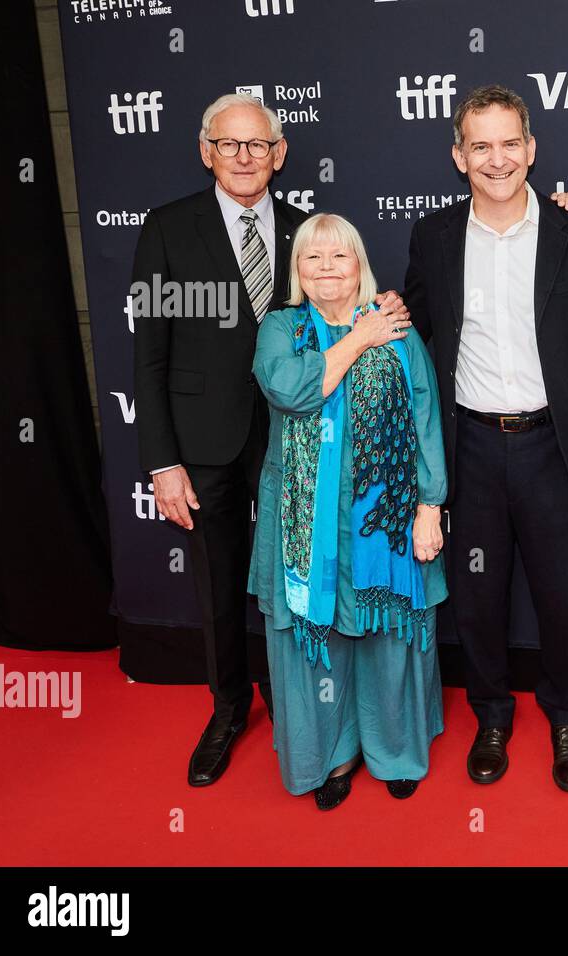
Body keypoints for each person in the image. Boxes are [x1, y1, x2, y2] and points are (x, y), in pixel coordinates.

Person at [130, 92, 410, 787]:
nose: (246, 157)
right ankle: (229, 707)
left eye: (259, 145)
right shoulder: (168, 228)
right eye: (231, 145)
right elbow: (150, 355)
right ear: (208, 152)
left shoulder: (304, 231)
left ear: (279, 155)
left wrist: (385, 307)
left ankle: (315, 711)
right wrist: (162, 460)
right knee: (220, 583)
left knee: (316, 573)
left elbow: (349, 300)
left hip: (305, 436)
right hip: (208, 440)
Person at [402, 85, 568, 791]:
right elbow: (416, 338)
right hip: (473, 449)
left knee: (562, 596)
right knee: (479, 597)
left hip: (554, 445)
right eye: (480, 145)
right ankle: (491, 715)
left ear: (532, 149)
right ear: (459, 156)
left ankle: (565, 718)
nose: (497, 158)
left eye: (510, 143)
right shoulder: (432, 236)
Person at [249, 212, 446, 810]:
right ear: (298, 271)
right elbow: (291, 389)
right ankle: (332, 755)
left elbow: (425, 419)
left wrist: (429, 506)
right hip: (305, 519)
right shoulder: (280, 329)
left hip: (382, 516)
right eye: (313, 258)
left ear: (359, 264)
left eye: (340, 256)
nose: (327, 268)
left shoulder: (399, 331)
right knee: (318, 636)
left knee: (390, 635)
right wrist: (359, 336)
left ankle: (394, 752)